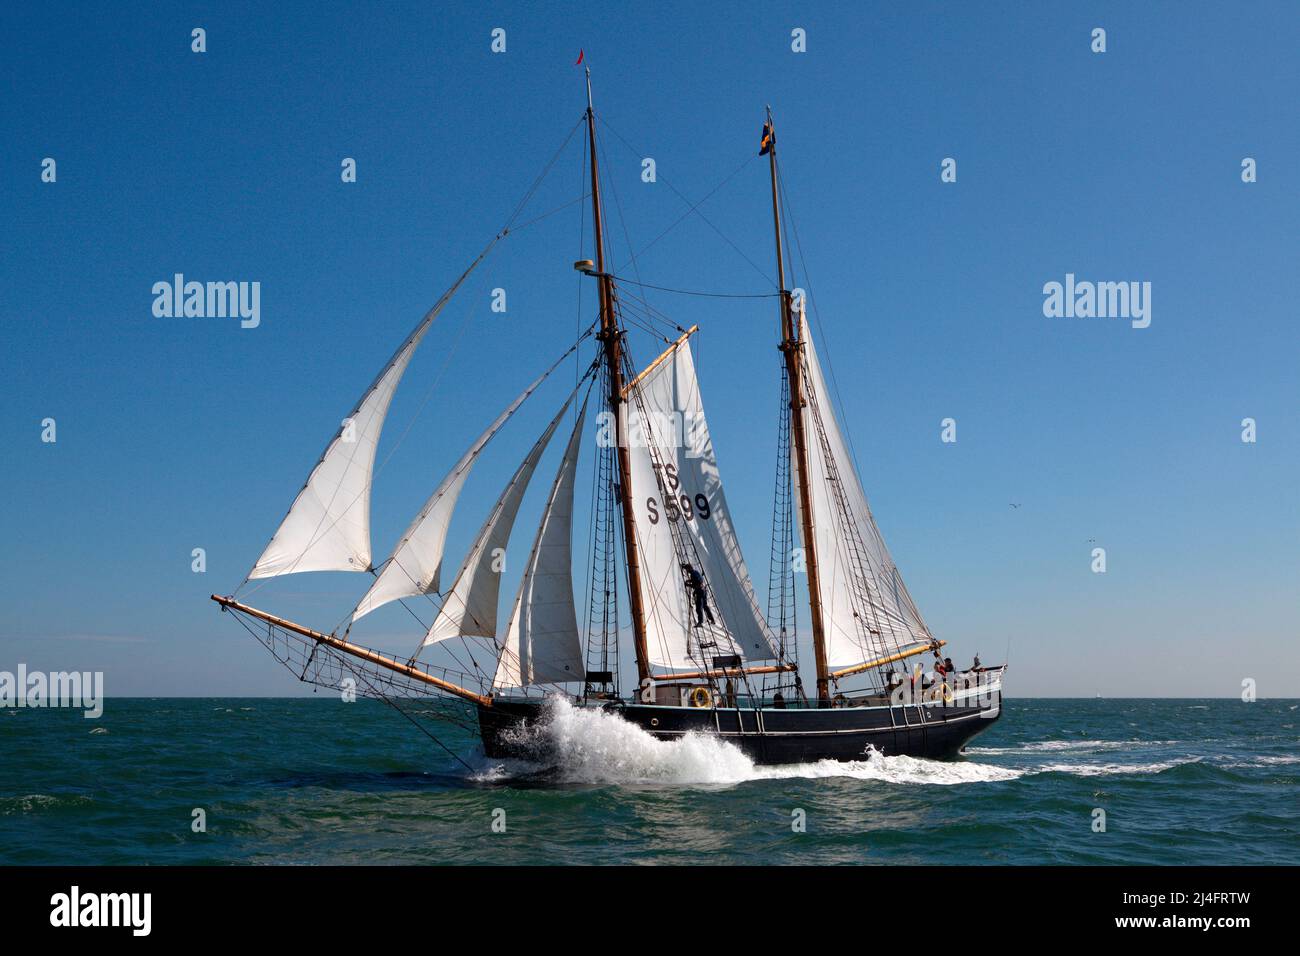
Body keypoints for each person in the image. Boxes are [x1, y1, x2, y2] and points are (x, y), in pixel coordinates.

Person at [682, 562, 715, 627]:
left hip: (699, 591)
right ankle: (712, 619)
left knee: (699, 607)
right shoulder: (696, 572)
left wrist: (688, 584)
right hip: (704, 590)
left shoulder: (692, 574)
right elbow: (698, 580)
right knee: (705, 606)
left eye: (687, 569)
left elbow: (696, 583)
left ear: (689, 569)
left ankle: (700, 622)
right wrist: (689, 581)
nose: (687, 571)